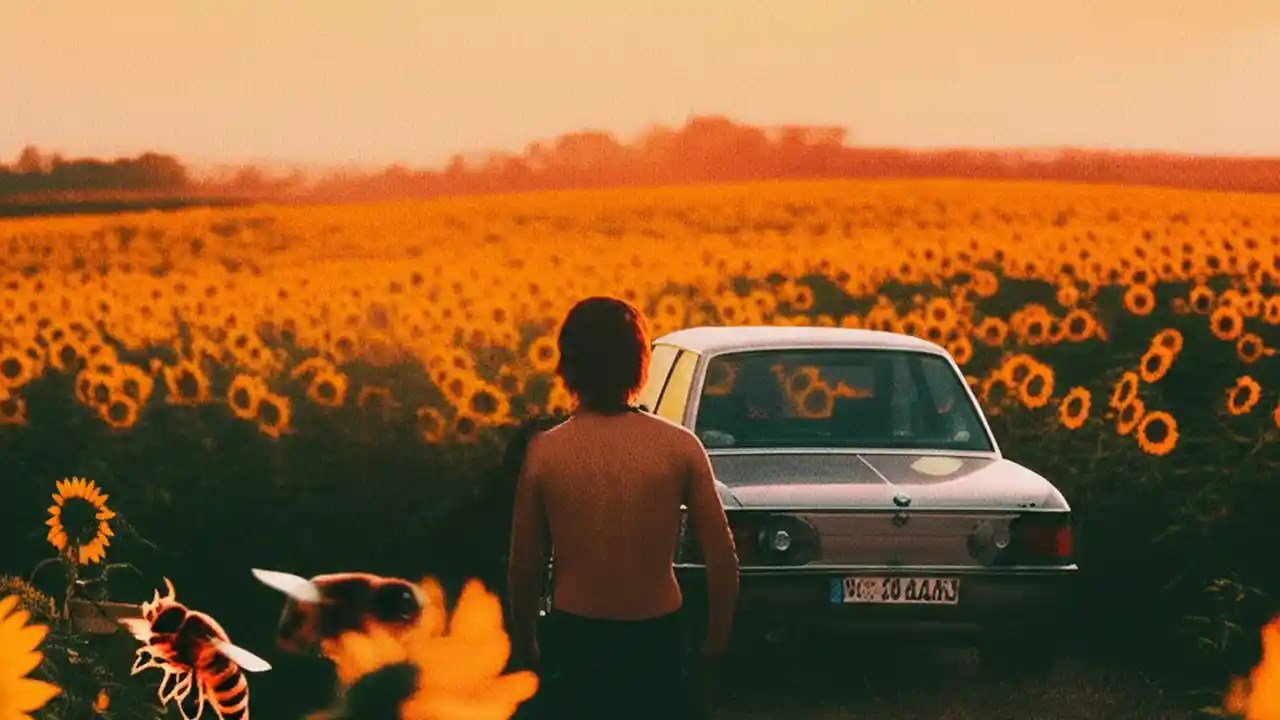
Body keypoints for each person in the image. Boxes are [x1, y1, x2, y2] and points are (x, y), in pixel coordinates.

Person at [506, 297, 740, 719]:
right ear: (640, 363)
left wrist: (526, 644)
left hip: (576, 638)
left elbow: (524, 565)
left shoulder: (544, 452)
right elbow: (722, 560)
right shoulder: (680, 447)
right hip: (658, 640)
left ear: (568, 365)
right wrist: (713, 647)